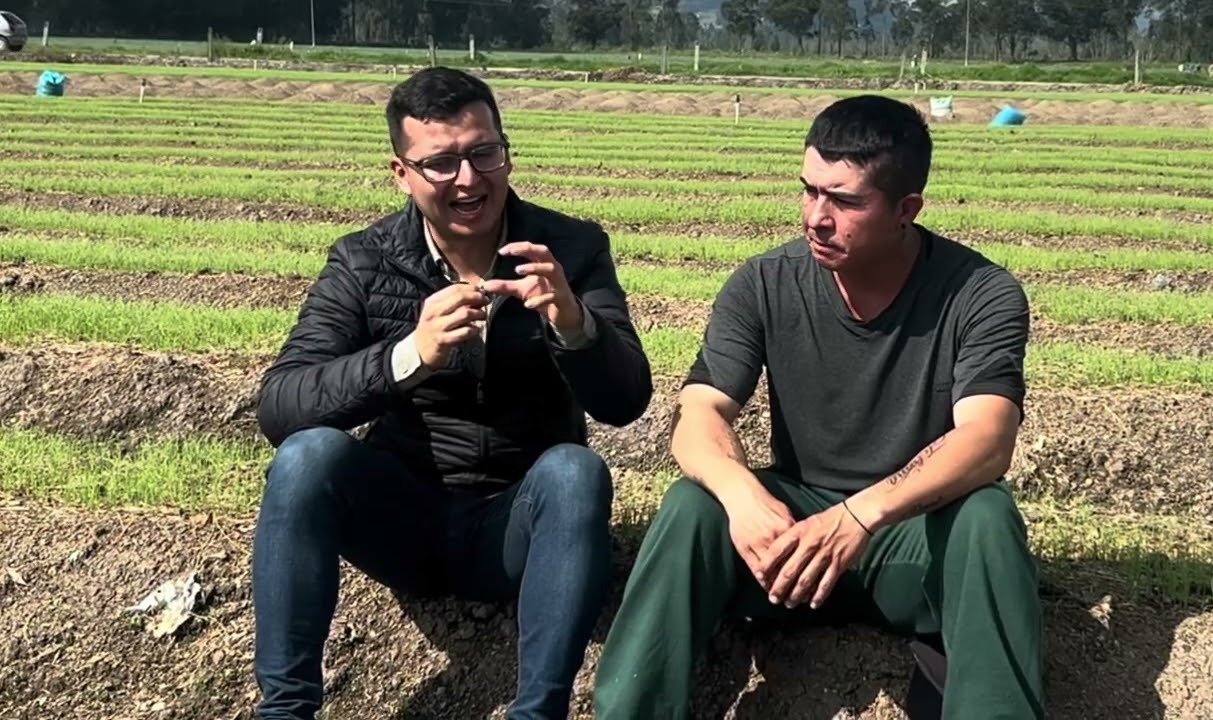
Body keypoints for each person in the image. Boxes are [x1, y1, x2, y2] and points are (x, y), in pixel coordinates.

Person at [593, 95, 1044, 719]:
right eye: (808, 191)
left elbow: (988, 439)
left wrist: (861, 517)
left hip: (908, 542)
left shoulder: (980, 293)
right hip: (788, 540)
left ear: (906, 210)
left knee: (987, 517)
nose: (816, 217)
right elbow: (698, 413)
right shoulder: (764, 282)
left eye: (845, 201)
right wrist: (742, 495)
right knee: (690, 503)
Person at [251, 66, 652, 720]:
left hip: (518, 525)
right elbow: (281, 405)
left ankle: (538, 712)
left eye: (483, 153)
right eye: (441, 163)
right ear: (401, 172)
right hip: (404, 519)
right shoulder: (364, 261)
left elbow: (627, 400)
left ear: (505, 149)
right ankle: (286, 711)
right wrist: (410, 357)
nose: (469, 180)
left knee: (576, 471)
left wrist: (575, 324)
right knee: (306, 460)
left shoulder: (571, 248)